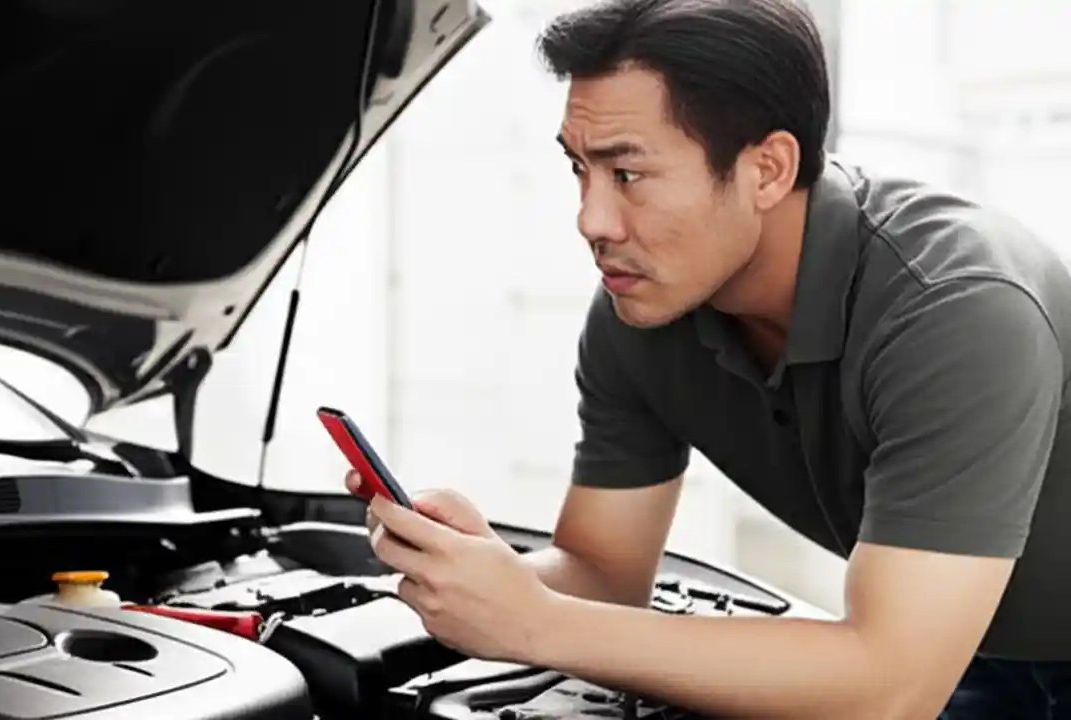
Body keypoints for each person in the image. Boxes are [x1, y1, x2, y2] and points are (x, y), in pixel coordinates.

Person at [344, 0, 1071, 717]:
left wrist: (534, 621)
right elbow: (605, 572)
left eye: (626, 174)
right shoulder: (641, 311)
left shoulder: (955, 307)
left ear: (767, 170)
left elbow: (887, 689)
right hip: (957, 646)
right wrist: (489, 572)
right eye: (578, 170)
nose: (590, 221)